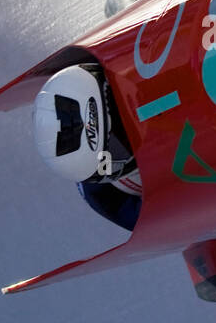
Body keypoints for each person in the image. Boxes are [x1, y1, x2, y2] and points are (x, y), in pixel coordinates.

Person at [33, 64, 141, 230]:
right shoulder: (113, 199)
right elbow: (175, 224)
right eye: (120, 140)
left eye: (115, 102)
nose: (135, 120)